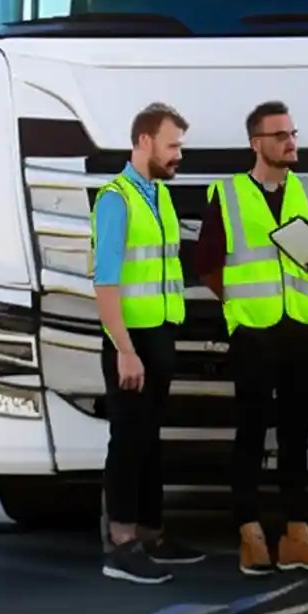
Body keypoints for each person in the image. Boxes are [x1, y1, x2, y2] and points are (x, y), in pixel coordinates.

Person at [194, 100, 308, 577]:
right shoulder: (227, 193)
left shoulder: (307, 192)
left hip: (298, 330)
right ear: (256, 143)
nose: (290, 142)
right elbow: (206, 264)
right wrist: (239, 309)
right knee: (249, 435)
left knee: (295, 437)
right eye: (280, 135)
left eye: (292, 133)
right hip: (252, 334)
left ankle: (297, 537)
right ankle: (251, 536)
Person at [92, 102, 204, 584]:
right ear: (143, 142)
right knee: (128, 442)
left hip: (158, 333)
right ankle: (121, 544)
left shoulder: (158, 196)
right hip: (131, 340)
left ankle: (152, 535)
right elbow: (106, 282)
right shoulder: (117, 199)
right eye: (172, 145)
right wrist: (124, 348)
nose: (178, 154)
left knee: (150, 442)